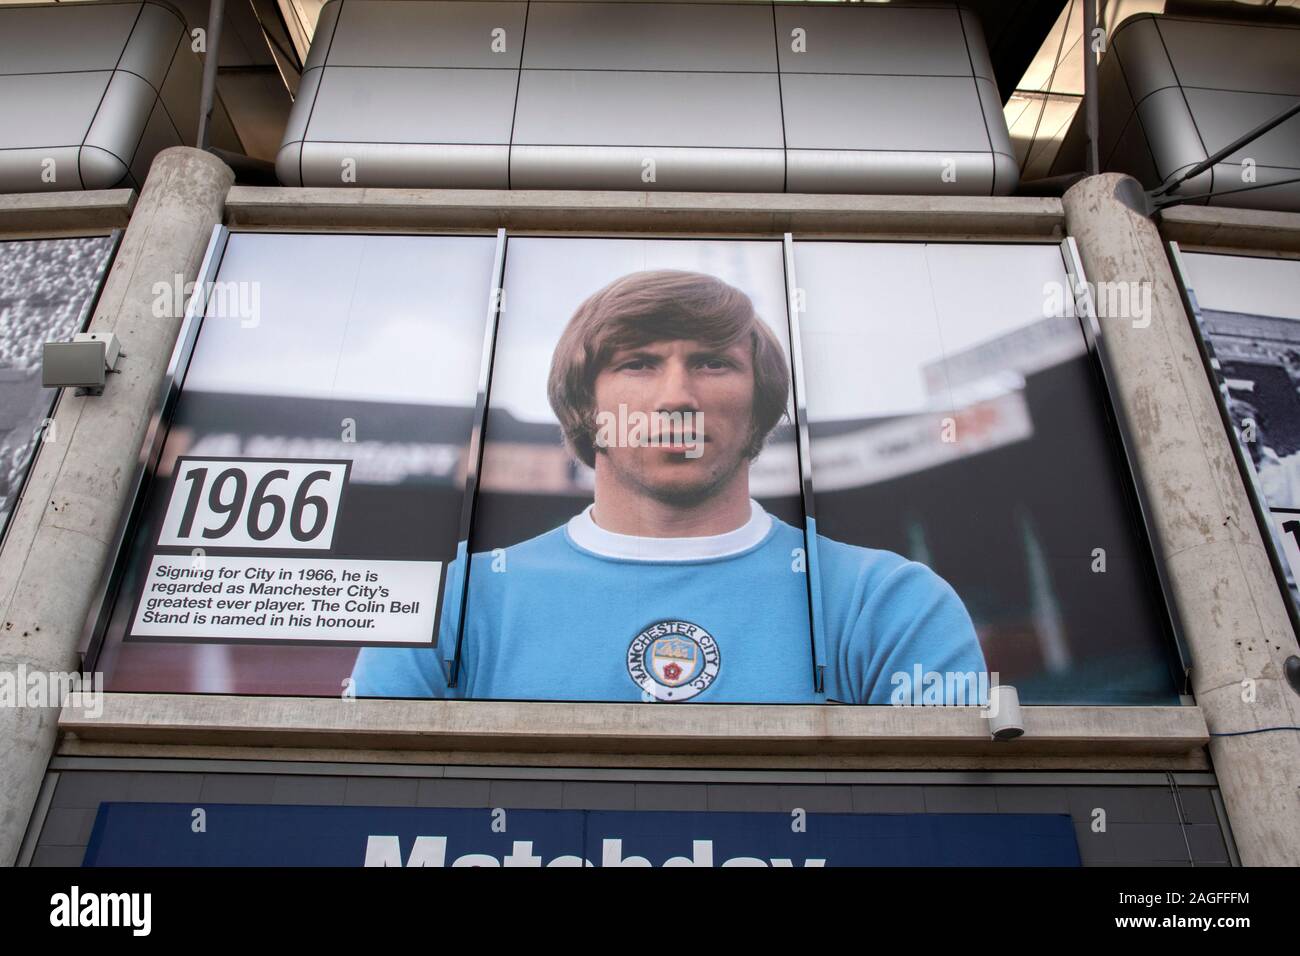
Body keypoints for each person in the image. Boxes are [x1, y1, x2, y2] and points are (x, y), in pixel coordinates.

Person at [352, 270, 985, 703]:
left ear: (759, 401)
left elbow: (947, 828)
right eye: (638, 363)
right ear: (584, 404)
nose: (678, 396)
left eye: (713, 362)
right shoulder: (454, 607)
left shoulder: (890, 604)